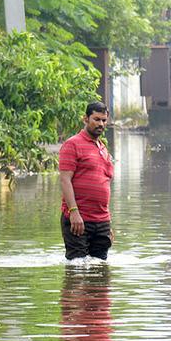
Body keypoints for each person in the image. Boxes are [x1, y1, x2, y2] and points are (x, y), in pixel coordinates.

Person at [59, 101, 115, 261]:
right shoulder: (72, 144)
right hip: (79, 219)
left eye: (104, 120)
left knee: (100, 272)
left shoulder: (103, 148)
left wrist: (108, 223)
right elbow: (65, 180)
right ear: (85, 119)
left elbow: (105, 185)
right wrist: (73, 212)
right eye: (96, 119)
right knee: (76, 270)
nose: (101, 124)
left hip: (101, 221)